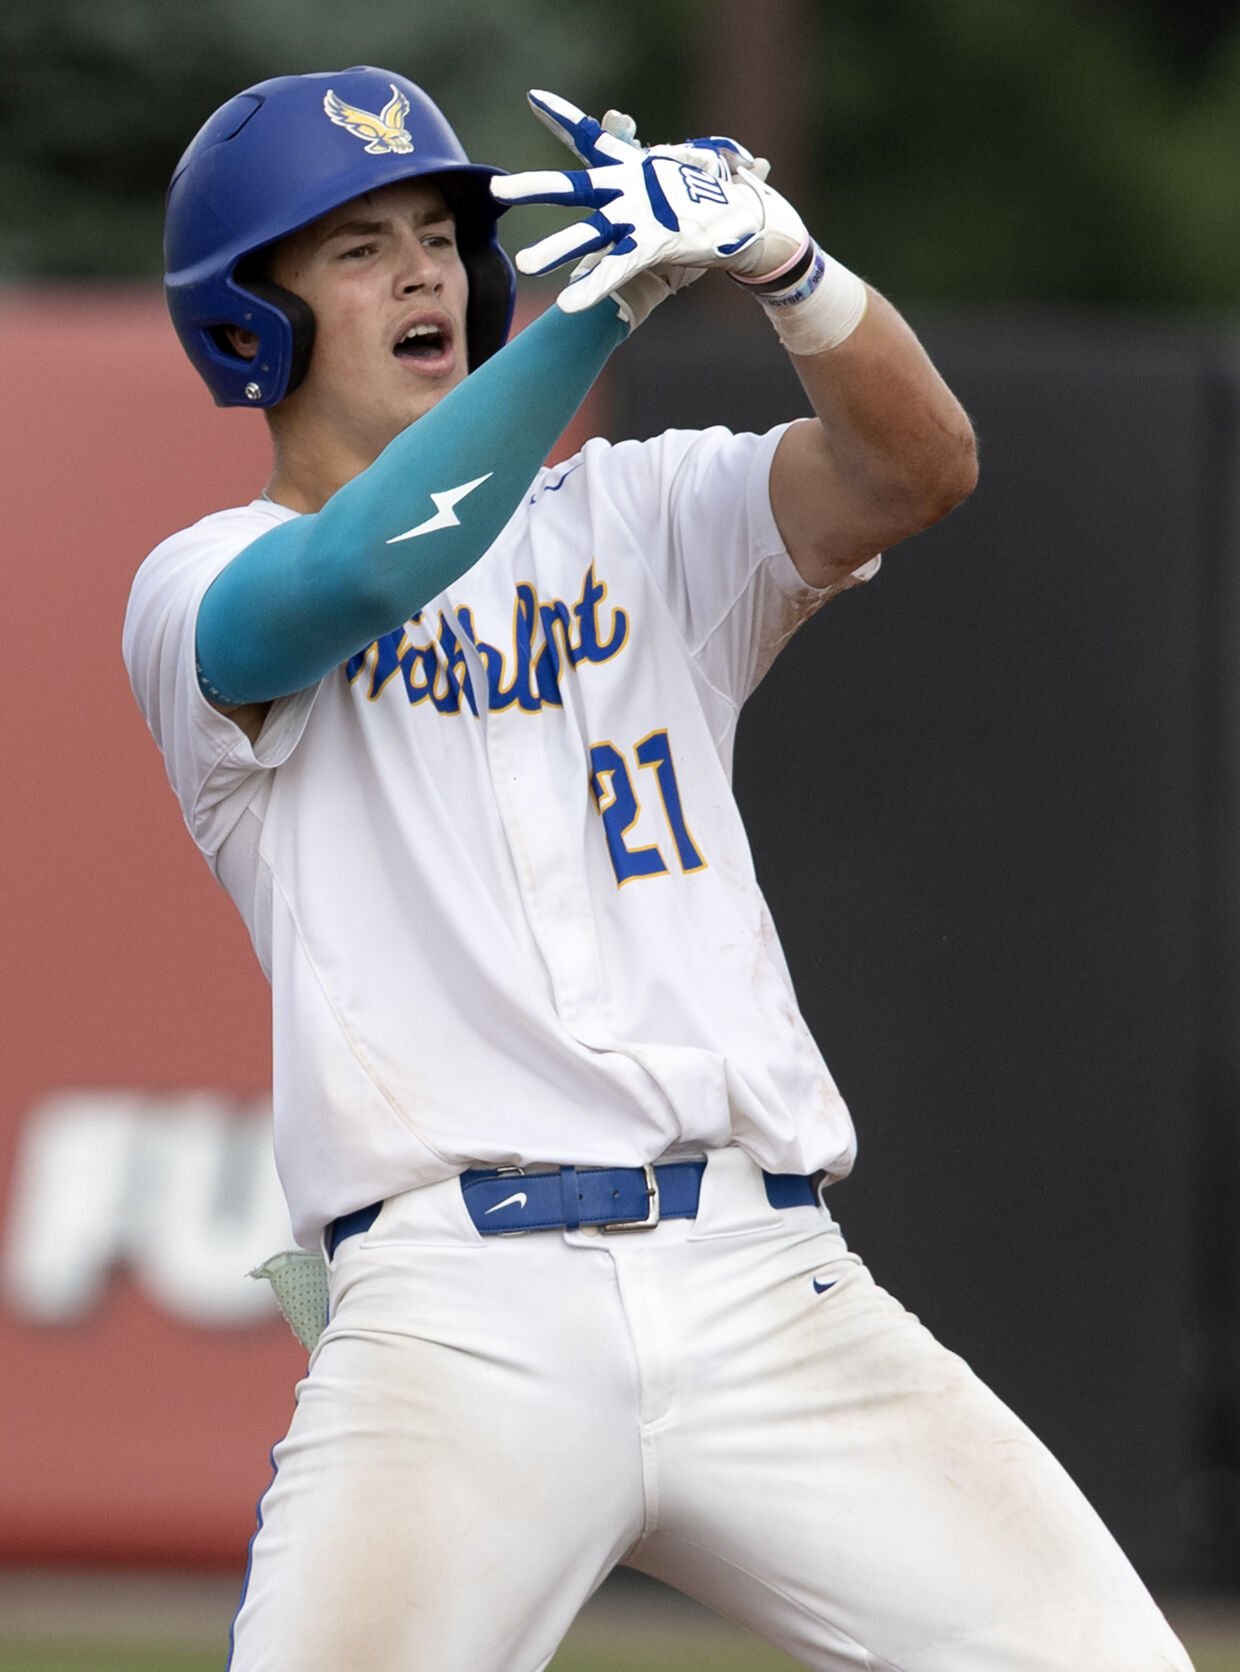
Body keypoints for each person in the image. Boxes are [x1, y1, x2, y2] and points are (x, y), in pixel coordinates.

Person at [123, 64, 1193, 1672]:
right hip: (457, 1316)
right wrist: (600, 313)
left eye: (438, 235)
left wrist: (789, 268)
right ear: (247, 327)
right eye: (356, 250)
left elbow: (921, 467)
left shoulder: (636, 511)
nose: (424, 272)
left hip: (765, 1277)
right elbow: (353, 568)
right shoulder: (198, 586)